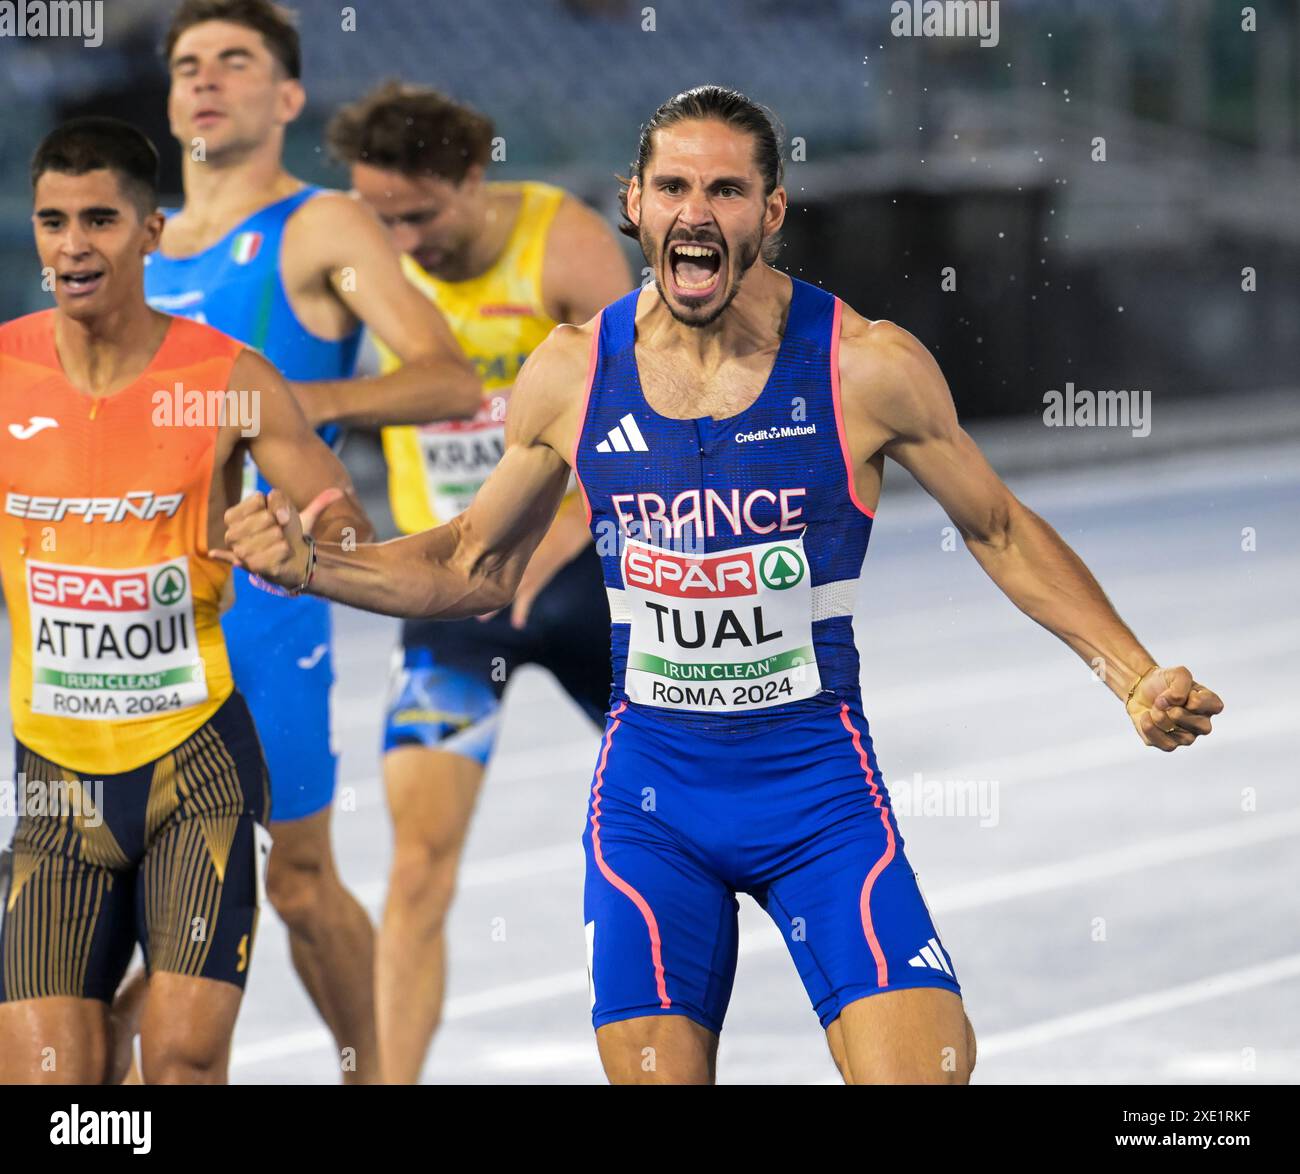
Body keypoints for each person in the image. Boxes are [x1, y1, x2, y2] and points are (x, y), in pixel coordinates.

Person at [221, 86, 1225, 1085]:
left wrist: (1130, 674)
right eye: (673, 187)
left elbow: (998, 529)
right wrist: (313, 568)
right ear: (636, 204)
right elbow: (472, 562)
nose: (696, 210)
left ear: (770, 213)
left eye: (726, 190)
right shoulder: (570, 372)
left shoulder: (864, 366)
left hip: (821, 800)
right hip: (654, 811)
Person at [136, 0, 481, 1083]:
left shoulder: (319, 225)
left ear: (286, 97)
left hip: (265, 601)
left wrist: (278, 410)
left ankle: (375, 1074)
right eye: (189, 62)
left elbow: (447, 375)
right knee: (134, 894)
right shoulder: (134, 242)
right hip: (136, 615)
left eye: (235, 60)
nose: (206, 78)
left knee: (294, 877)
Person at [0, 116, 371, 1084]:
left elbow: (347, 530)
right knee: (48, 1077)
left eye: (100, 219)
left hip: (191, 771)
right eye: (52, 221)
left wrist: (299, 543)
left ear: (151, 231)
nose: (73, 244)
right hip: (53, 784)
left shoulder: (225, 380)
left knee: (182, 1064)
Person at [325, 81, 632, 1082]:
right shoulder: (365, 272)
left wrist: (564, 531)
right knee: (416, 867)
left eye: (420, 214)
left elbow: (650, 410)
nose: (402, 241)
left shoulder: (562, 243)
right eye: (381, 218)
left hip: (588, 583)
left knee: (691, 824)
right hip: (458, 602)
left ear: (471, 175)